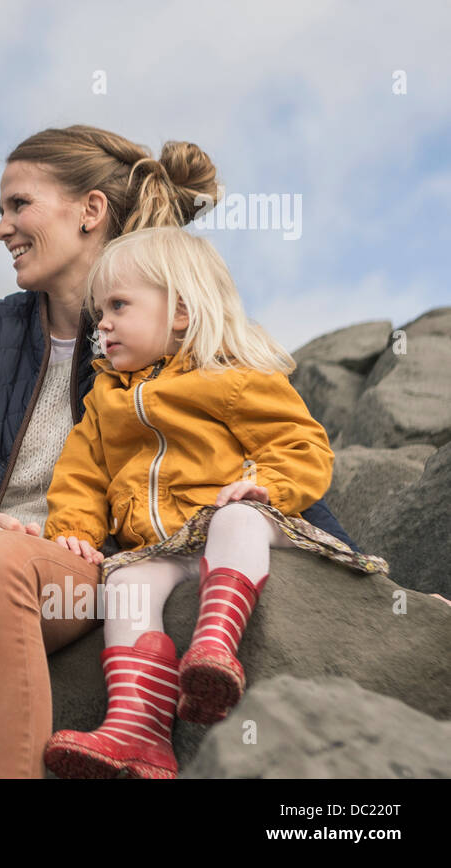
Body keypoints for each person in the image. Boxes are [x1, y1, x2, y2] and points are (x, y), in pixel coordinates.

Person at [0, 125, 365, 778]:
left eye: (18, 205)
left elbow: (259, 455)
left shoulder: (151, 342)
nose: (0, 228)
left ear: (90, 211)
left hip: (75, 580)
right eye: (0, 210)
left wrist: (359, 572)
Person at [40, 225, 389, 779]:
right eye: (98, 310)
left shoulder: (229, 377)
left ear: (179, 311)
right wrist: (75, 528)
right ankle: (139, 731)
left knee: (237, 517)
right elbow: (80, 477)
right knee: (126, 584)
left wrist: (266, 485)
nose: (101, 323)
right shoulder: (102, 403)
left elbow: (300, 443)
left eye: (118, 305)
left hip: (250, 520)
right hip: (163, 548)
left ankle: (215, 648)